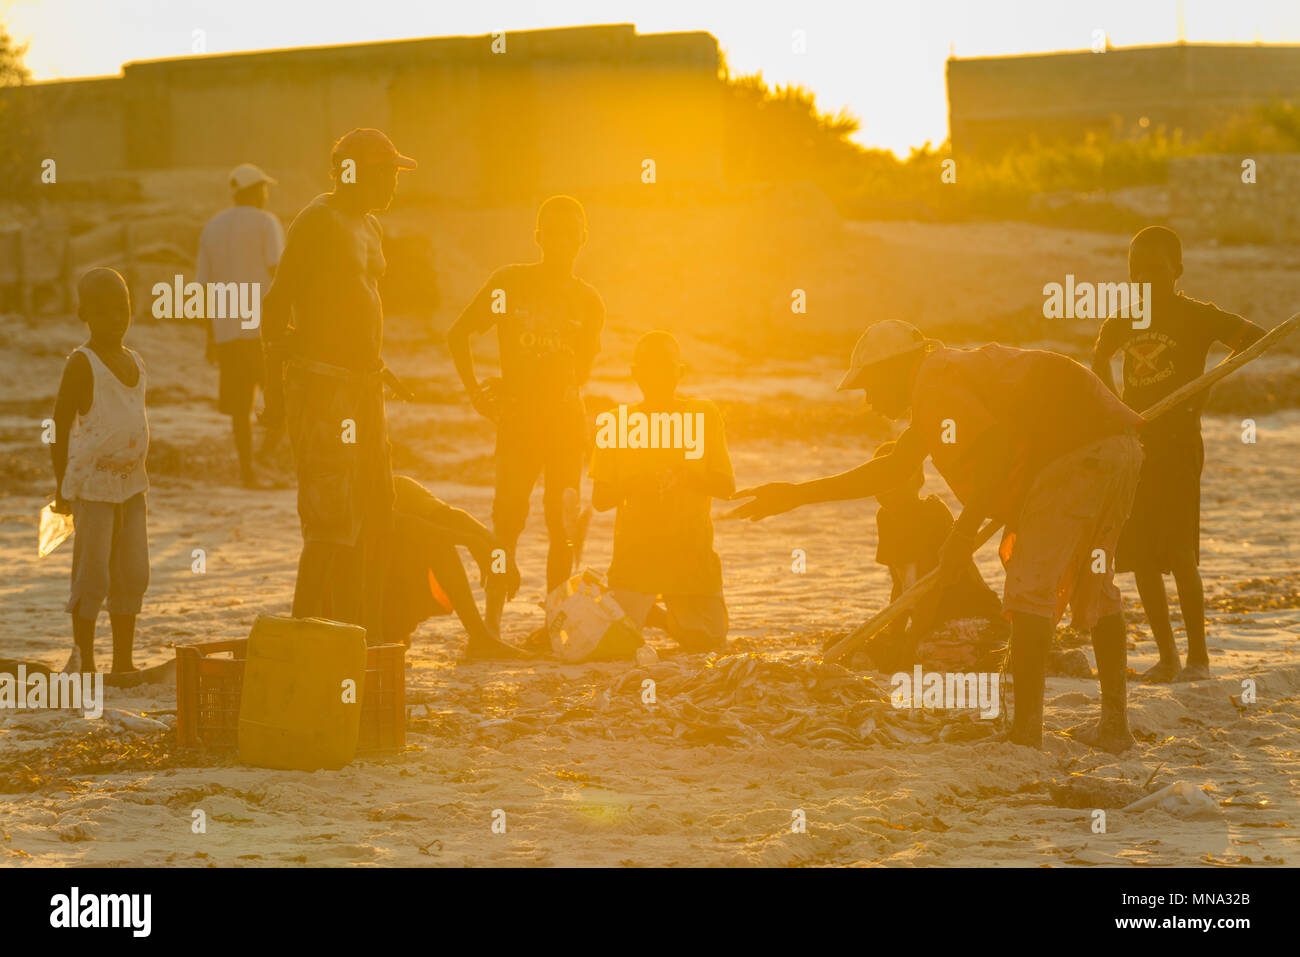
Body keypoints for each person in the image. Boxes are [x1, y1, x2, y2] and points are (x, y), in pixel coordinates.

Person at [730, 320, 1144, 753]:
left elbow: (998, 455)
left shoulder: (934, 382)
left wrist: (961, 535)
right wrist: (796, 494)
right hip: (1116, 450)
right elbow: (894, 467)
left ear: (894, 368)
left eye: (870, 387)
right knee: (1098, 587)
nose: (870, 402)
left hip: (1079, 458)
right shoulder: (946, 378)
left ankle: (1026, 734)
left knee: (1029, 590)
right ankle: (1114, 726)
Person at [261, 128, 416, 644]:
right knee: (330, 525)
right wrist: (276, 397)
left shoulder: (369, 228)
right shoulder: (317, 221)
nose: (394, 184)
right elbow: (277, 305)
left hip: (365, 388)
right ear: (356, 172)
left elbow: (353, 308)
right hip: (324, 391)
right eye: (387, 172)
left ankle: (356, 639)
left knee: (375, 511)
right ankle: (303, 642)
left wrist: (375, 367)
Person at [1093, 226, 1264, 683]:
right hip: (1137, 447)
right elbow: (1096, 365)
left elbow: (1256, 338)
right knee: (1142, 557)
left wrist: (1207, 382)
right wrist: (1119, 410)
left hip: (1180, 445)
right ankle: (1167, 658)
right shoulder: (1124, 321)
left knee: (1180, 550)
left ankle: (1199, 661)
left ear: (1178, 270)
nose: (1145, 277)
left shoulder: (1197, 315)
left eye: (1155, 268)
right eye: (1136, 270)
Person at [447, 196, 605, 637]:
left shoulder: (588, 301)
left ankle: (554, 625)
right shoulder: (509, 285)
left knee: (563, 527)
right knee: (507, 524)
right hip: (516, 424)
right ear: (538, 237)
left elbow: (583, 373)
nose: (561, 242)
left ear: (582, 240)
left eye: (570, 234)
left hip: (566, 429)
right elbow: (458, 335)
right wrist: (478, 395)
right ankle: (492, 625)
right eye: (552, 232)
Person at [590, 331, 735, 651]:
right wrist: (633, 484)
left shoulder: (704, 414)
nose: (657, 376)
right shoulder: (616, 422)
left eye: (666, 367)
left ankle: (664, 616)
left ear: (679, 372)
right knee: (614, 651)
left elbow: (726, 488)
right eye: (648, 368)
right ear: (635, 373)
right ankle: (648, 612)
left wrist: (685, 477)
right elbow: (600, 500)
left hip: (692, 556)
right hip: (636, 560)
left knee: (708, 643)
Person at [50, 268, 150, 674]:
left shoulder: (136, 362)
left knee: (133, 574)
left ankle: (123, 662)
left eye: (122, 309)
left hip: (133, 486)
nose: (116, 318)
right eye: (105, 311)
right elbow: (58, 425)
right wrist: (61, 487)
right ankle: (86, 661)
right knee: (92, 576)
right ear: (83, 313)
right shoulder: (82, 363)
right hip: (92, 488)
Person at [857, 440, 1005, 673]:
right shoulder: (885, 518)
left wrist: (912, 638)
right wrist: (894, 634)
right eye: (879, 480)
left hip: (974, 615)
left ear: (918, 481)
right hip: (934, 621)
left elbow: (932, 589)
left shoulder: (930, 513)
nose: (886, 488)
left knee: (922, 653)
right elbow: (900, 587)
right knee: (878, 649)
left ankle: (1002, 656)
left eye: (894, 479)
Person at [196, 162, 285, 487]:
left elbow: (204, 288)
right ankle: (265, 457)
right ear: (254, 190)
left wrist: (210, 338)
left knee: (239, 409)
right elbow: (278, 273)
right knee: (283, 399)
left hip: (227, 331)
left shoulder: (212, 227)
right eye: (264, 188)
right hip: (262, 330)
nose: (266, 194)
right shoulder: (266, 223)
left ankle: (249, 471)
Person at [384, 475, 527, 658]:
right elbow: (407, 524)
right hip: (356, 617)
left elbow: (449, 515)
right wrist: (472, 541)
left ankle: (481, 638)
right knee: (437, 538)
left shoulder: (396, 486)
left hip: (392, 609)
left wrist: (494, 545)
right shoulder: (354, 492)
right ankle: (480, 637)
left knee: (439, 540)